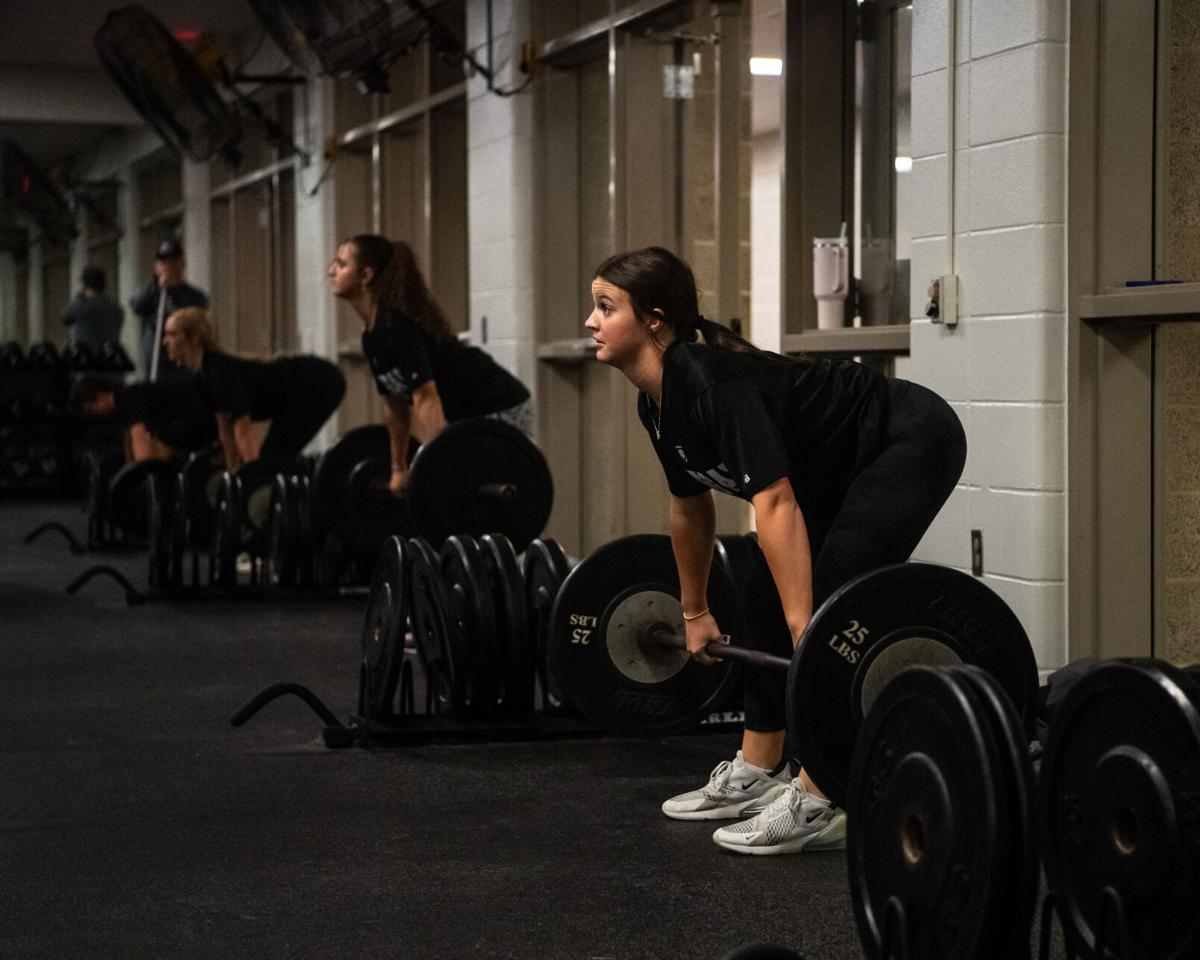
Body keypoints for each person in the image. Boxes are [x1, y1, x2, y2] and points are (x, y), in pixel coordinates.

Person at [585, 247, 966, 856]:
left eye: (606, 307)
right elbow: (690, 508)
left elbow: (776, 500)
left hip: (905, 438)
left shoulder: (708, 381)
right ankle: (760, 768)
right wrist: (694, 610)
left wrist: (806, 629)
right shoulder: (656, 401)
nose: (591, 321)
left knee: (834, 608)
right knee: (761, 591)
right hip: (831, 469)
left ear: (654, 319)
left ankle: (824, 795)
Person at [328, 235, 532, 495]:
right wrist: (398, 467)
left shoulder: (397, 327)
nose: (331, 271)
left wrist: (439, 461)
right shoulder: (372, 337)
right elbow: (395, 406)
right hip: (466, 415)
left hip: (501, 405)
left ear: (366, 275)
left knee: (467, 490)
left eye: (341, 264)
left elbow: (425, 396)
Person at [161, 307, 345, 472]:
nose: (164, 342)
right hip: (301, 390)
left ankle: (322, 475)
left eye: (171, 334)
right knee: (271, 457)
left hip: (319, 381)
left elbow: (243, 431)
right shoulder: (203, 375)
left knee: (272, 457)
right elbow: (225, 431)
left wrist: (252, 479)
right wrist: (232, 473)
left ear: (193, 338)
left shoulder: (218, 371)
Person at [69, 374, 216, 461]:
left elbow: (138, 435)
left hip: (200, 420)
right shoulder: (121, 405)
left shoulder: (128, 398)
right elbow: (129, 440)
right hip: (186, 421)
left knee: (159, 448)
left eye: (92, 409)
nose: (95, 415)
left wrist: (140, 478)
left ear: (101, 397)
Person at [129, 240, 207, 381]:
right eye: (163, 262)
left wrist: (175, 288)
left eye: (172, 262)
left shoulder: (195, 296)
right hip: (154, 362)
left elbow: (193, 319)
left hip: (182, 362)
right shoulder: (150, 290)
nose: (167, 267)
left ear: (181, 265)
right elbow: (137, 306)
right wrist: (156, 285)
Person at [61, 266, 124, 347]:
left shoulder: (82, 307)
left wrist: (80, 298)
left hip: (88, 353)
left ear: (85, 285)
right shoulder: (116, 308)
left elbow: (65, 318)